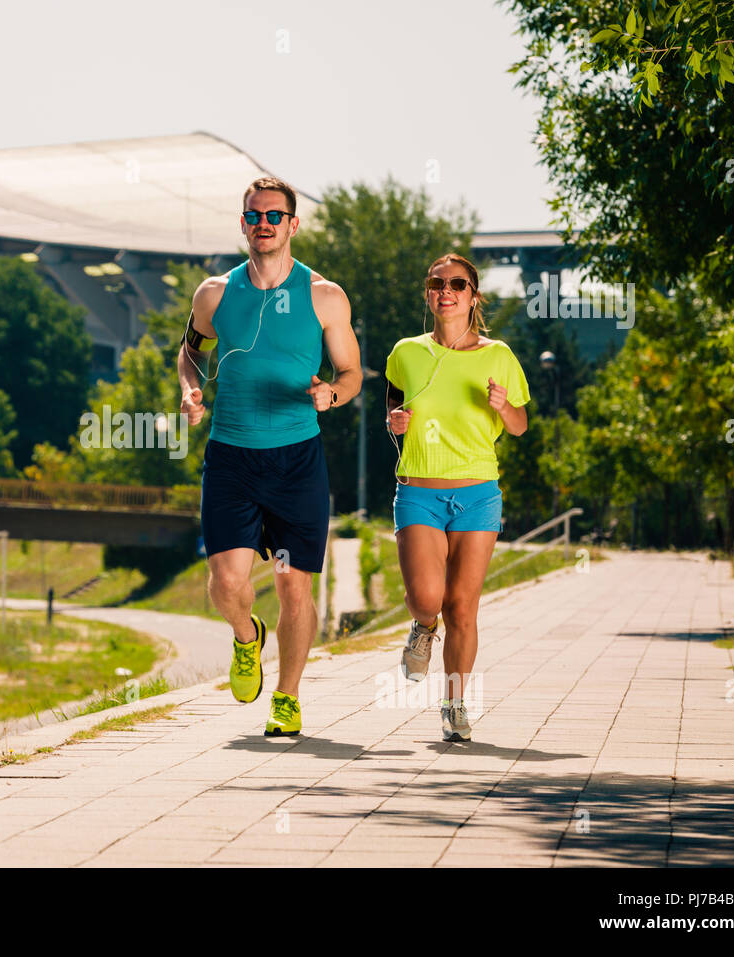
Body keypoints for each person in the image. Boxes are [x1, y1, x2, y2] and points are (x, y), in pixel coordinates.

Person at [179, 176, 362, 736]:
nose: (264, 224)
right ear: (243, 223)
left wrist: (333, 393)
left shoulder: (324, 296)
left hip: (294, 461)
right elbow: (189, 354)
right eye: (254, 216)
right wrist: (190, 389)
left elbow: (351, 373)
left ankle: (287, 697)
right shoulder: (214, 295)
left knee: (291, 584)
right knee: (226, 583)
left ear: (293, 225)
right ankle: (245, 637)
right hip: (232, 458)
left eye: (275, 216)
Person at [385, 253, 529, 742]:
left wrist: (503, 405)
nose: (446, 290)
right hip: (419, 493)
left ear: (473, 296)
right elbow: (393, 397)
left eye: (457, 284)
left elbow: (519, 426)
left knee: (463, 607)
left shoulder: (499, 355)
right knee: (427, 599)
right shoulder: (406, 352)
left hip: (478, 495)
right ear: (429, 292)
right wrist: (394, 420)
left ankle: (454, 704)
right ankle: (422, 628)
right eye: (437, 282)